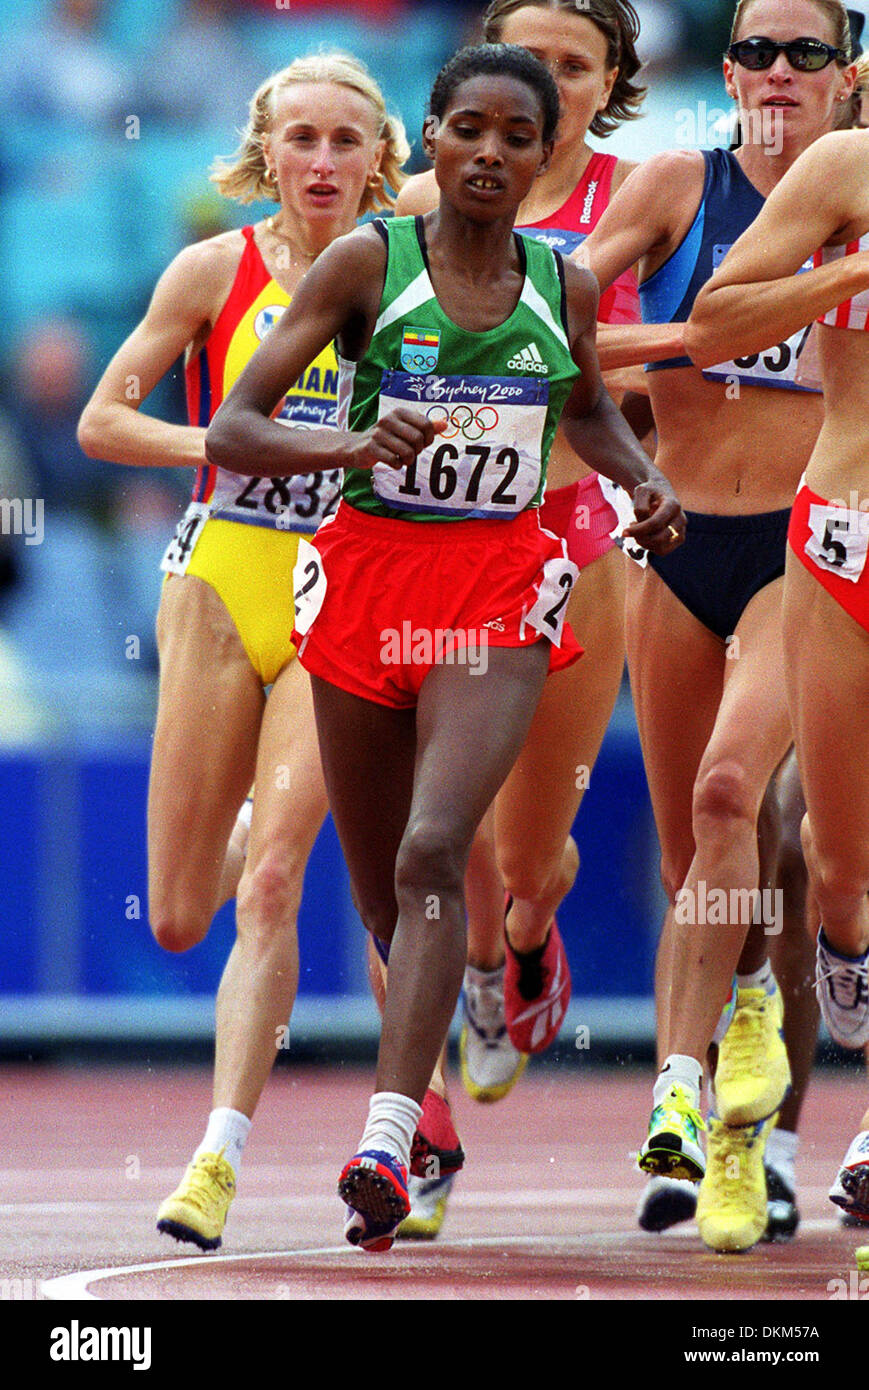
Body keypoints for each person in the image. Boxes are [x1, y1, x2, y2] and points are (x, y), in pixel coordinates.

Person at [206, 41, 685, 1253]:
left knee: (433, 847)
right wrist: (351, 450)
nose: (486, 153)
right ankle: (428, 1075)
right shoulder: (376, 260)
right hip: (366, 577)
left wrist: (640, 480)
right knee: (384, 895)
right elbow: (237, 424)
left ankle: (383, 1135)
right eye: (465, 129)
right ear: (430, 139)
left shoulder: (559, 282)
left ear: (538, 154)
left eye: (513, 137)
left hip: (494, 583)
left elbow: (578, 404)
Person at [77, 52, 410, 1251]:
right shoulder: (211, 268)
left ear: (382, 156)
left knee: (275, 879)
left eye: (346, 141)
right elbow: (99, 417)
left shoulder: (414, 270)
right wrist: (225, 449)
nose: (323, 163)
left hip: (345, 595)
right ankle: (225, 830)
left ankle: (215, 1158)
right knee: (177, 913)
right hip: (221, 578)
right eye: (303, 140)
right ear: (265, 150)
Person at [579, 0, 857, 1252]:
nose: (778, 72)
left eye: (808, 51)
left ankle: (760, 1136)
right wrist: (660, 360)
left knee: (738, 801)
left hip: (799, 551)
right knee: (704, 864)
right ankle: (702, 1112)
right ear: (728, 66)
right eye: (756, 49)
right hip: (675, 542)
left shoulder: (850, 187)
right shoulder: (676, 181)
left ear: (847, 72)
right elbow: (549, 318)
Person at [686, 117, 869, 1244]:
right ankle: (845, 950)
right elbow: (710, 322)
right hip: (845, 527)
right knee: (835, 863)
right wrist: (848, 265)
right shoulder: (842, 170)